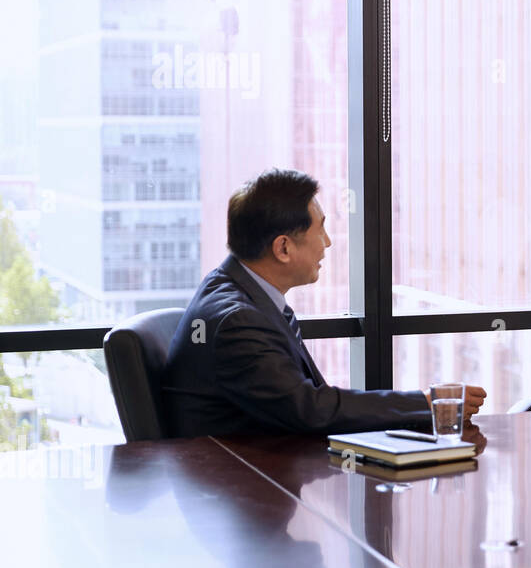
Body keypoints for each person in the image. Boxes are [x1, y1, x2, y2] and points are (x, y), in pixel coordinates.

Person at [161, 168, 486, 437]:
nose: (328, 243)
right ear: (283, 248)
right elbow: (310, 410)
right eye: (321, 229)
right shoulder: (239, 321)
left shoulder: (241, 291)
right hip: (242, 486)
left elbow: (310, 403)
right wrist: (426, 403)